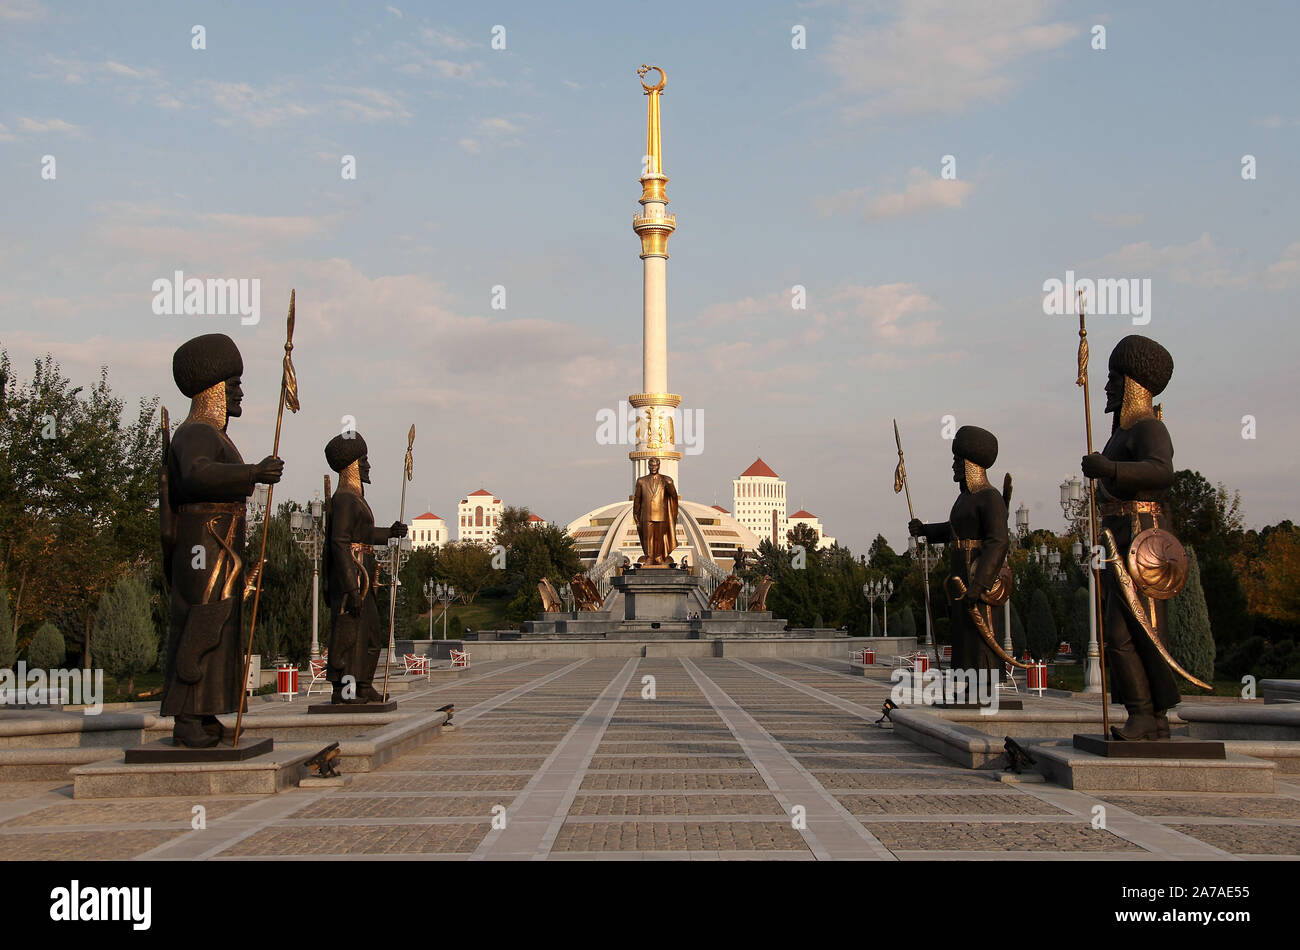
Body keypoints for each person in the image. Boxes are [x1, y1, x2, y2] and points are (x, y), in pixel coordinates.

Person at [160, 333, 283, 747]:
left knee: (220, 622)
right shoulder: (195, 432)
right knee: (203, 621)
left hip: (219, 544)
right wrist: (251, 474)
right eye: (232, 386)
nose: (240, 393)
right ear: (212, 389)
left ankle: (205, 712)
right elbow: (196, 474)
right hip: (202, 543)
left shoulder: (216, 434)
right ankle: (187, 718)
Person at [1082, 335, 1180, 741]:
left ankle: (1143, 713)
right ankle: (1152, 717)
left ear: (1133, 384)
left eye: (1112, 379)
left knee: (1126, 632)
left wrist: (1109, 470)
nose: (1107, 387)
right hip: (1119, 535)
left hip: (1142, 538)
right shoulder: (1120, 434)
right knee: (1126, 630)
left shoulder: (1149, 428)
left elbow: (1161, 472)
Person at [909, 426, 1010, 676]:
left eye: (957, 460)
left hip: (977, 575)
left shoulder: (990, 497)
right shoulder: (965, 498)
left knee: (981, 630)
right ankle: (967, 682)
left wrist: (981, 584)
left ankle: (984, 685)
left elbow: (998, 542)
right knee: (964, 633)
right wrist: (925, 530)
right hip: (959, 573)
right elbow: (954, 530)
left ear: (971, 464)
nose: (954, 465)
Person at [322, 433, 407, 704]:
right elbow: (340, 542)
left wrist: (389, 533)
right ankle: (344, 689)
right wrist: (351, 585)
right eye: (364, 460)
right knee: (350, 632)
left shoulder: (356, 498)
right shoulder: (345, 499)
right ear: (351, 466)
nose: (368, 466)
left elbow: (364, 533)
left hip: (364, 572)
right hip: (353, 574)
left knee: (370, 633)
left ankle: (363, 683)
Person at [633, 457, 679, 566]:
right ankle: (649, 557)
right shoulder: (641, 481)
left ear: (659, 466)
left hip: (661, 514)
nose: (653, 467)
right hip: (646, 514)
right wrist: (635, 514)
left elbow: (673, 497)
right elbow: (637, 499)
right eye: (651, 465)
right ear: (648, 466)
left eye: (655, 465)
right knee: (647, 537)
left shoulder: (665, 480)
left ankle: (658, 557)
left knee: (659, 538)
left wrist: (670, 484)